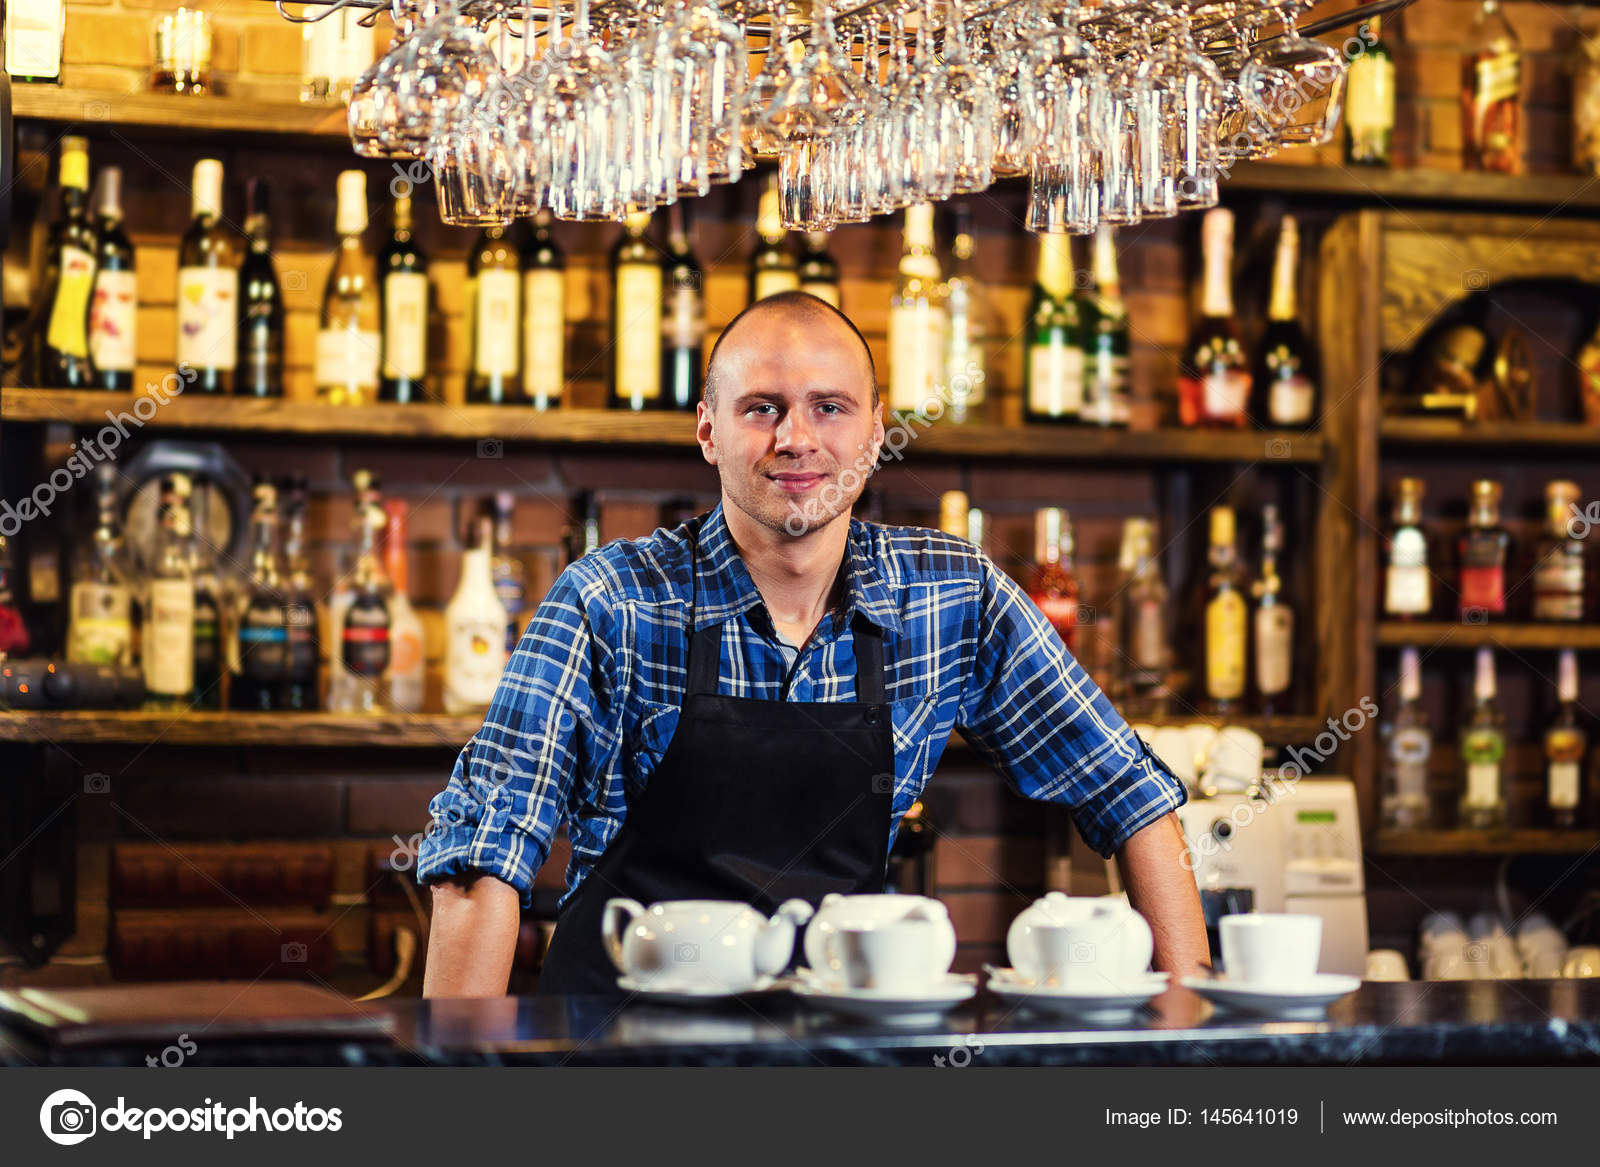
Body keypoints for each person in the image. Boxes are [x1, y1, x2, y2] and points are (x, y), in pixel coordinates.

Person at [418, 291, 1208, 997]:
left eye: (830, 407)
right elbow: (481, 855)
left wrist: (1193, 1040)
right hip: (616, 1056)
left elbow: (1130, 796)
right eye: (762, 407)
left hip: (833, 1055)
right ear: (707, 429)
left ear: (875, 429)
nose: (797, 438)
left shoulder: (951, 596)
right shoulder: (609, 600)